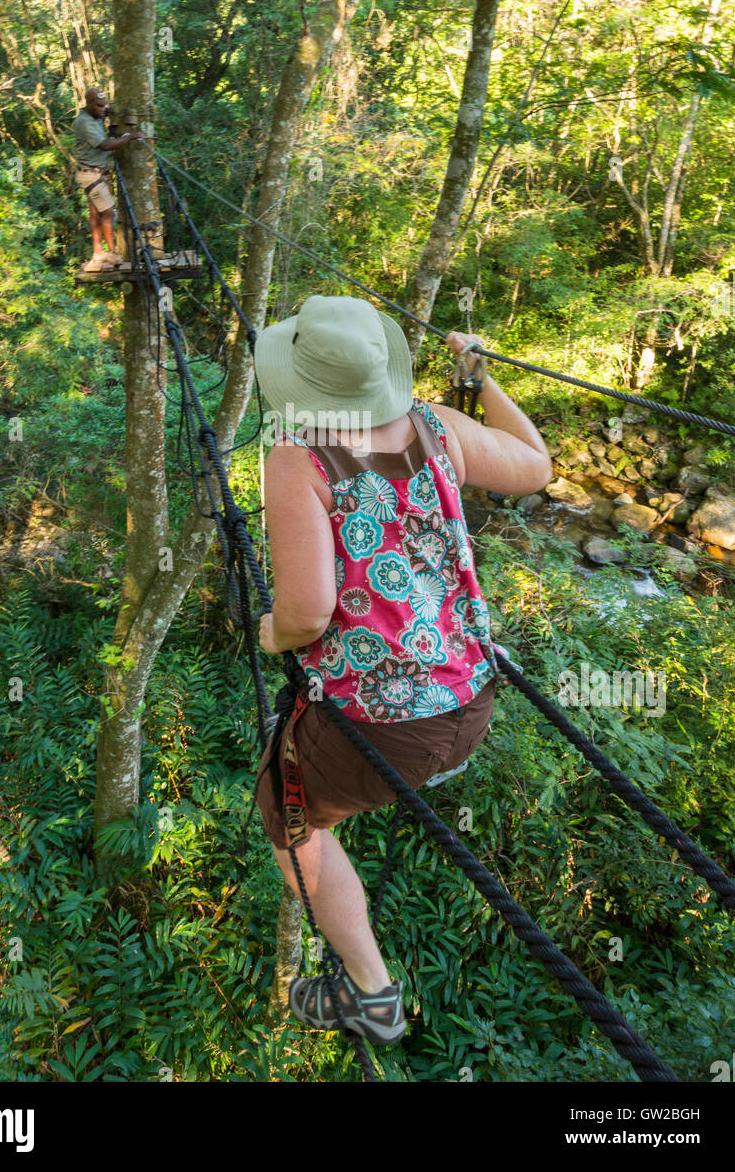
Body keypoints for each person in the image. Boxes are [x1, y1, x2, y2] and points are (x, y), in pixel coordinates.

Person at [253, 293, 552, 1044]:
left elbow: (306, 615)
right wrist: (481, 381)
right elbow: (535, 467)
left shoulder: (299, 461)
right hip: (469, 705)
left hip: (386, 729)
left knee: (286, 818)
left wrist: (266, 634)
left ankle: (372, 995)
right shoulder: (434, 425)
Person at [73, 87, 144, 273]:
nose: (103, 109)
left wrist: (110, 112)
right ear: (88, 104)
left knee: (96, 215)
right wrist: (130, 138)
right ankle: (112, 253)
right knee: (109, 213)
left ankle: (98, 252)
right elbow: (104, 145)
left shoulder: (96, 116)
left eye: (105, 106)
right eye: (99, 106)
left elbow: (103, 113)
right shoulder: (84, 122)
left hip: (95, 173)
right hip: (91, 175)